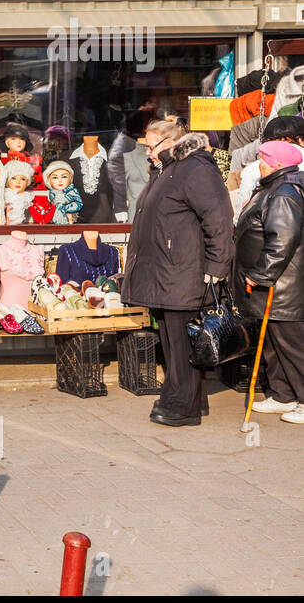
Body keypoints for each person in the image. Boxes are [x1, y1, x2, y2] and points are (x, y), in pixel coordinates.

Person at [122, 120, 233, 428]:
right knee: (173, 340)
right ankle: (185, 397)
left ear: (170, 142)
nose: (147, 152)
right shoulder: (165, 170)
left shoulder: (195, 168)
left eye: (151, 146)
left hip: (183, 271)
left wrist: (216, 267)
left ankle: (182, 405)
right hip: (166, 271)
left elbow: (219, 219)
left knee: (183, 341)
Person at [235, 141, 304, 422]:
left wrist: (260, 274)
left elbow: (281, 241)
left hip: (282, 287)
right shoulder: (271, 188)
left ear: (276, 164)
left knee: (292, 345)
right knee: (274, 344)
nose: (259, 164)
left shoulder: (284, 194)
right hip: (272, 288)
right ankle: (282, 395)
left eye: (263, 159)